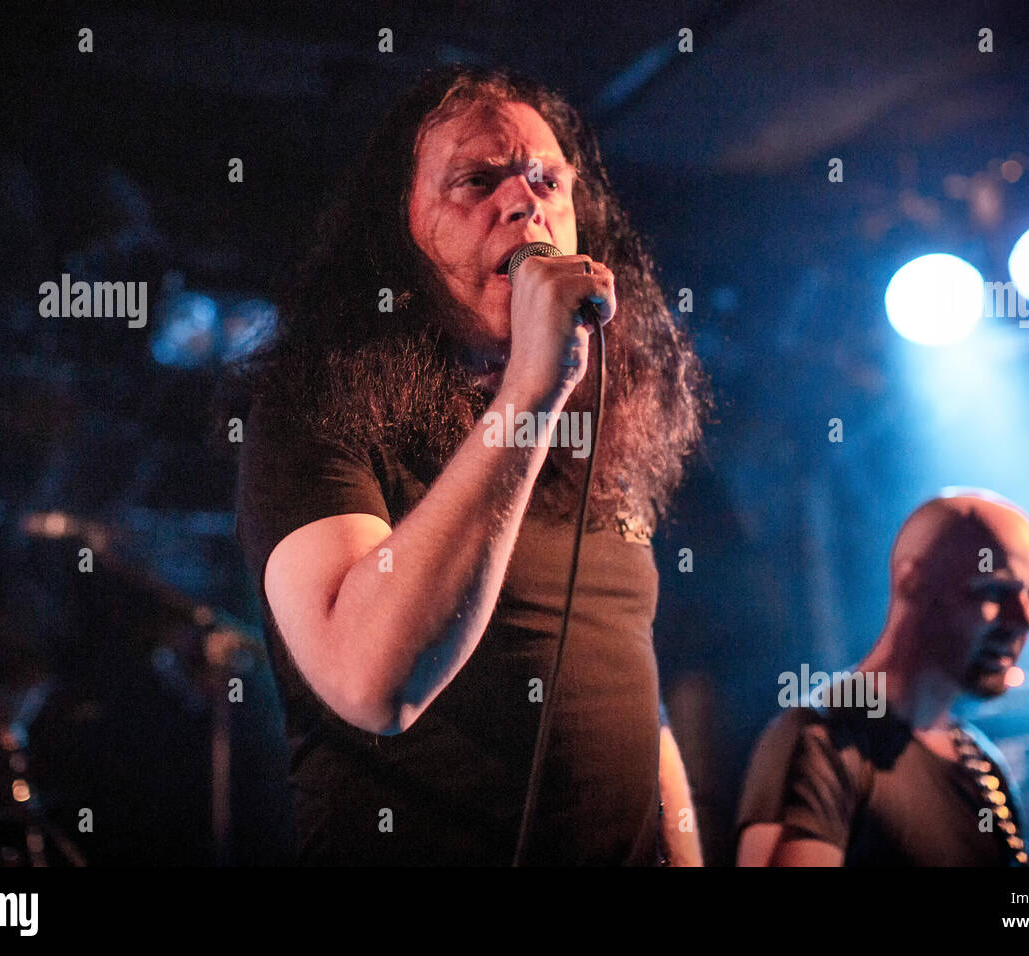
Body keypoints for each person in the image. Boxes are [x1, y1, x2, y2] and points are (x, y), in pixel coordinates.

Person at [233, 65, 710, 864]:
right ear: (400, 229)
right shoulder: (315, 412)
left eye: (547, 180)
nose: (525, 202)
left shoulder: (598, 431)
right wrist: (531, 386)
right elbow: (372, 684)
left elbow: (630, 694)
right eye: (479, 180)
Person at [736, 489, 1029, 866]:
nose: (1025, 621)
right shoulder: (820, 742)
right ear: (911, 581)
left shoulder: (983, 766)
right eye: (997, 590)